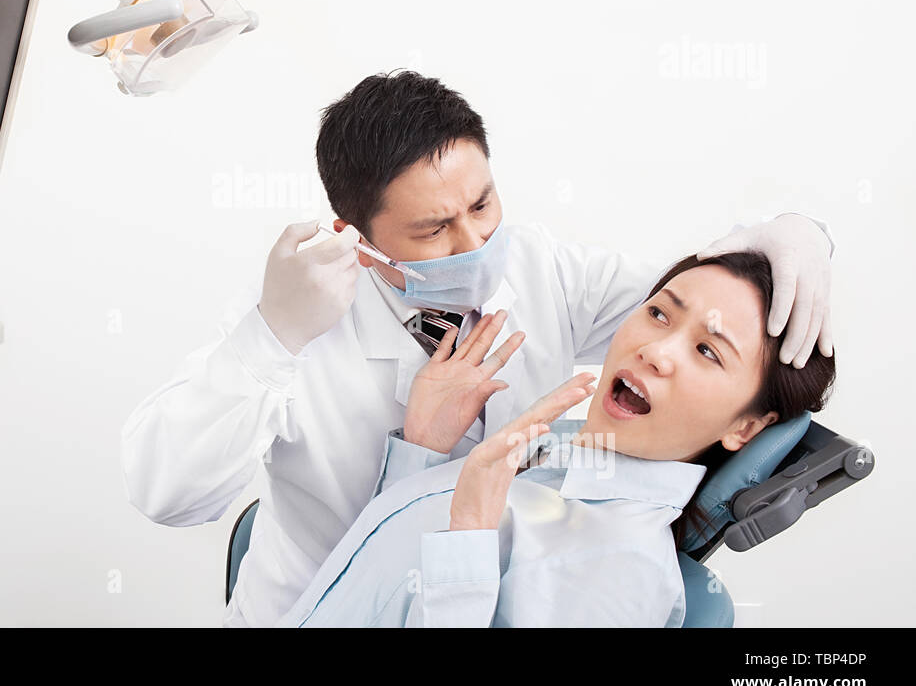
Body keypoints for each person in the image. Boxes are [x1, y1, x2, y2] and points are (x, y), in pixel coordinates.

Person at [122, 71, 835, 627]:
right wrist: (271, 338)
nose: (476, 245)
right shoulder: (289, 320)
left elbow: (701, 304)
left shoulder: (543, 271)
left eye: (484, 204)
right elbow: (168, 493)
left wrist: (790, 228)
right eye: (434, 229)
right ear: (358, 235)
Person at [279, 250, 837, 627]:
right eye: (661, 314)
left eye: (708, 352)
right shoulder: (560, 451)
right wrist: (422, 452)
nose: (656, 351)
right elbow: (389, 584)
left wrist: (468, 538)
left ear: (745, 426)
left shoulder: (625, 567)